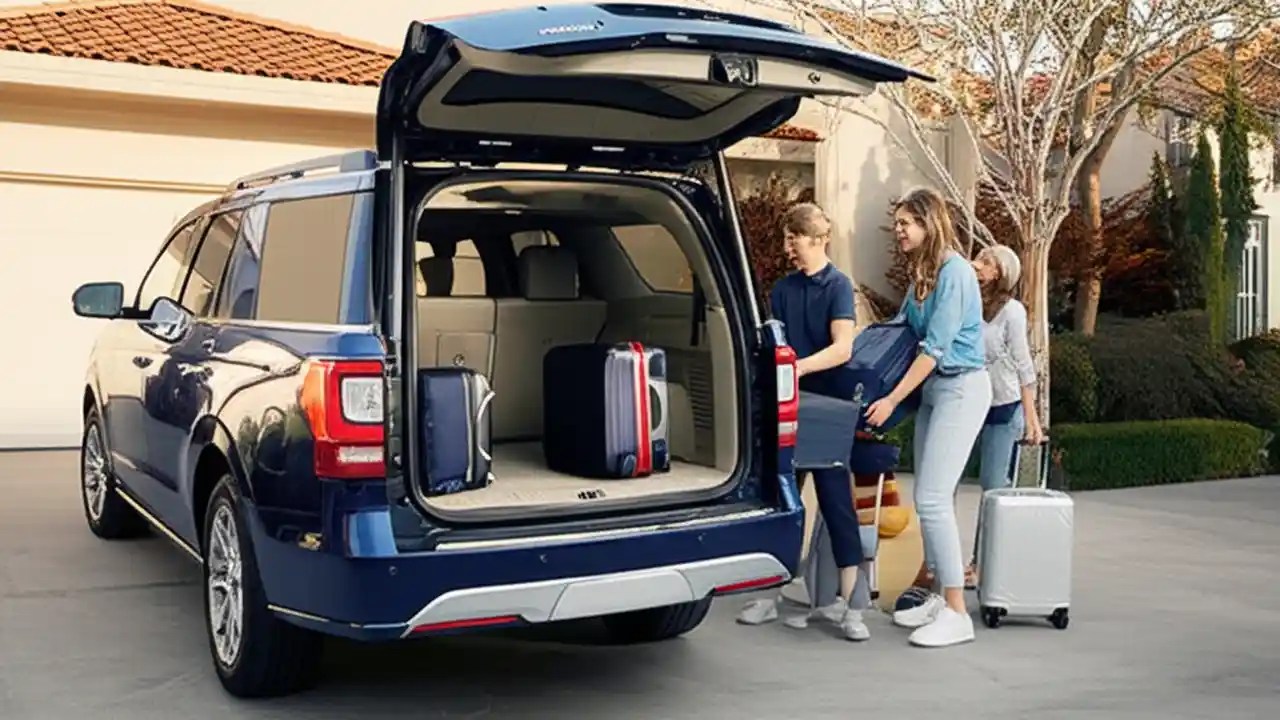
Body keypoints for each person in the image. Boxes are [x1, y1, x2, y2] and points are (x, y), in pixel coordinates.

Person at [735, 202, 872, 641]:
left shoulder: (839, 286)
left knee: (837, 506)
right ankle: (768, 596)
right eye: (785, 239)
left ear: (816, 239)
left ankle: (853, 609)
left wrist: (794, 369)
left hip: (827, 411)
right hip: (788, 409)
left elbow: (842, 348)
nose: (786, 247)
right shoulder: (782, 289)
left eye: (792, 239)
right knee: (779, 502)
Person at [863, 187, 990, 648]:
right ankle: (938, 597)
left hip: (961, 388)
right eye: (897, 223)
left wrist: (892, 400)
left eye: (905, 223)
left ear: (928, 223)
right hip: (935, 392)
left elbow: (933, 350)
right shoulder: (923, 274)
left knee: (934, 499)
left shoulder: (955, 273)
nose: (898, 231)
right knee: (929, 499)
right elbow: (901, 331)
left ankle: (957, 612)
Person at [965, 243, 1044, 587]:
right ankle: (939, 563)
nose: (976, 264)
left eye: (985, 261)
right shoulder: (968, 302)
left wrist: (1032, 419)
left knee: (993, 487)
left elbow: (1024, 365)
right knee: (943, 483)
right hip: (969, 401)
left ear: (1000, 273)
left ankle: (982, 565)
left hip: (1003, 406)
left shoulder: (1012, 311)